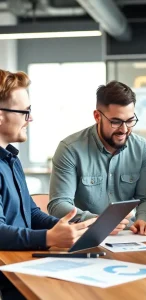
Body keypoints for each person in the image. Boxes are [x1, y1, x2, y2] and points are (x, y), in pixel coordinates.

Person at [0, 69, 95, 299]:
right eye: (25, 112)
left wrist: (68, 229)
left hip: (23, 265)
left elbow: (30, 213)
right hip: (10, 278)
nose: (29, 119)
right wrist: (48, 238)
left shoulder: (11, 160)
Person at [48, 81, 146, 235]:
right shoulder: (70, 149)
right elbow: (58, 205)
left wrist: (144, 219)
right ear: (97, 116)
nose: (124, 129)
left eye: (130, 120)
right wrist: (99, 222)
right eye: (116, 122)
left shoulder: (141, 148)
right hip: (85, 234)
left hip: (128, 236)